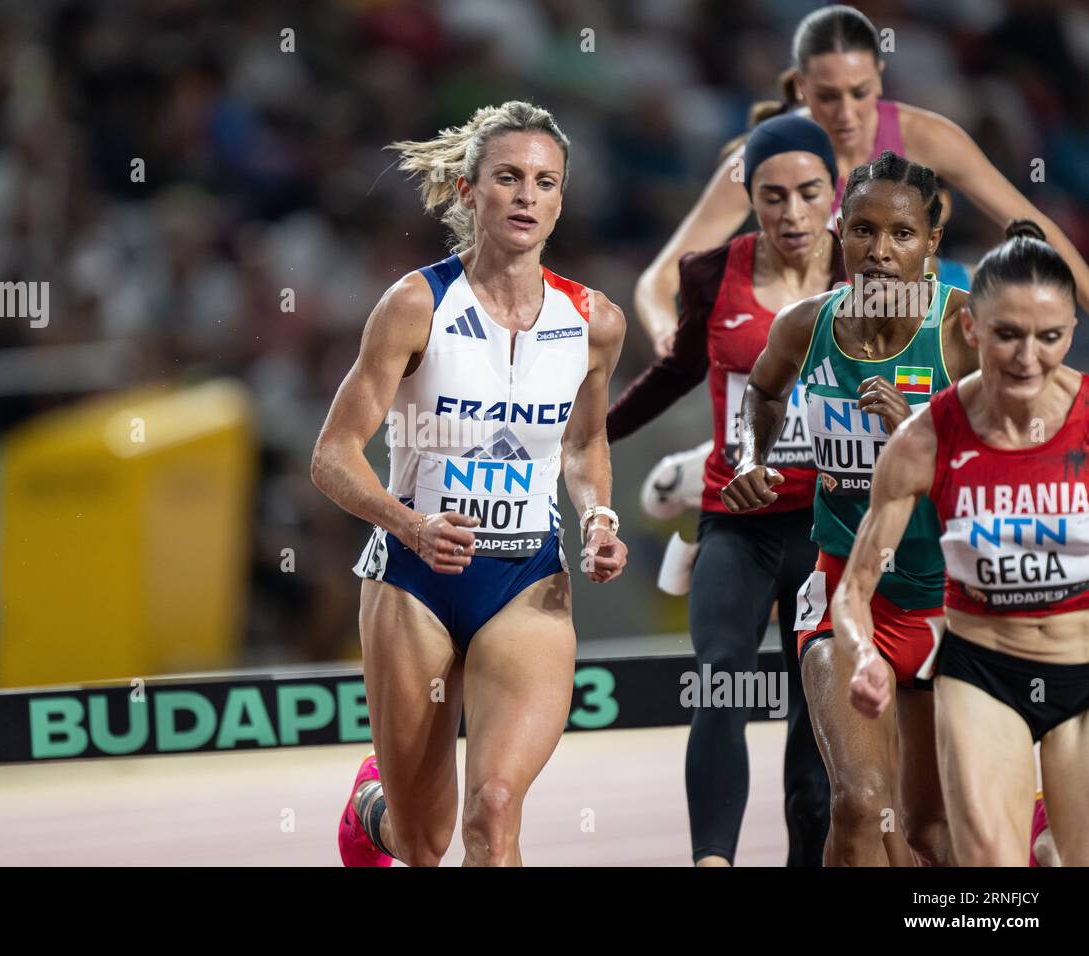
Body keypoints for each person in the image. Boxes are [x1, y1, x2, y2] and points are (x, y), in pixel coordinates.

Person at [310, 101, 628, 867]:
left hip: (526, 581)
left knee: (493, 810)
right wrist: (409, 524)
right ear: (467, 191)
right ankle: (374, 809)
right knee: (424, 842)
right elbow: (333, 454)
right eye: (508, 178)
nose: (526, 196)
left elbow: (584, 445)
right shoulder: (417, 304)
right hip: (415, 581)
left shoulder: (594, 322)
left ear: (560, 201)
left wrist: (597, 517)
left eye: (545, 182)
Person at [722, 150, 979, 866]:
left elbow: (1009, 462)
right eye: (862, 230)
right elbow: (764, 392)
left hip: (951, 608)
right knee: (861, 805)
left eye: (901, 235)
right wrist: (752, 458)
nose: (879, 252)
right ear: (839, 231)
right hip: (845, 596)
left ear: (932, 242)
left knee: (931, 834)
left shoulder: (964, 333)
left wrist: (923, 435)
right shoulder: (806, 325)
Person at [607, 115, 843, 867]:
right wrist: (587, 436)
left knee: (819, 720)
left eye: (809, 193)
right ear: (747, 196)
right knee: (718, 687)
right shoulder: (711, 273)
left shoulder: (867, 281)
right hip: (734, 527)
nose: (792, 214)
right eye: (772, 196)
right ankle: (712, 861)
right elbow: (675, 370)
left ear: (835, 194)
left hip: (829, 529)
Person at [839, 221, 1088, 866]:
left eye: (1050, 337)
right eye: (1007, 335)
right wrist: (863, 654)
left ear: (1072, 333)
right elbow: (853, 591)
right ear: (972, 328)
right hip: (982, 673)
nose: (1028, 358)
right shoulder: (925, 439)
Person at [634, 4, 1089, 356]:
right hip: (817, 340)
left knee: (1000, 293)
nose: (848, 114)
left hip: (915, 325)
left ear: (880, 77)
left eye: (860, 92)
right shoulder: (763, 154)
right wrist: (666, 334)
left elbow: (1034, 228)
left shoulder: (926, 136)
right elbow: (659, 278)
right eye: (828, 97)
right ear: (799, 87)